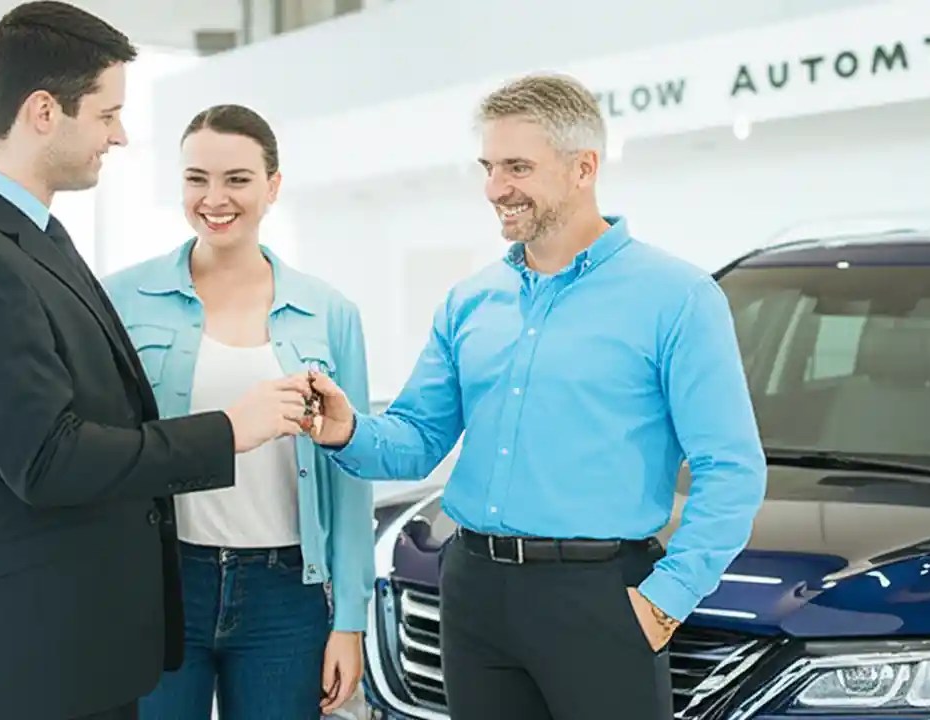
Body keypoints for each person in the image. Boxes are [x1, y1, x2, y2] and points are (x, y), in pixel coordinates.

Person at [306, 73, 768, 719]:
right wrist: (348, 430)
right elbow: (418, 436)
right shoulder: (470, 300)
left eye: (518, 167)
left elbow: (732, 468)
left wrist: (667, 597)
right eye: (489, 167)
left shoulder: (677, 297)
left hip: (600, 596)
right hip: (475, 590)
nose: (496, 188)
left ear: (584, 168)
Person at [0, 5, 314, 719]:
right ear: (42, 111)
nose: (119, 136)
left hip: (75, 642)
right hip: (31, 659)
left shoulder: (29, 235)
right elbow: (47, 460)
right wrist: (228, 430)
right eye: (106, 114)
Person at [102, 104, 374, 720]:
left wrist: (350, 622)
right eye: (196, 178)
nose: (214, 198)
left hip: (287, 594)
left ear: (273, 187)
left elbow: (351, 471)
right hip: (163, 584)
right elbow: (105, 452)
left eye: (237, 179)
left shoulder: (329, 313)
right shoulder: (122, 298)